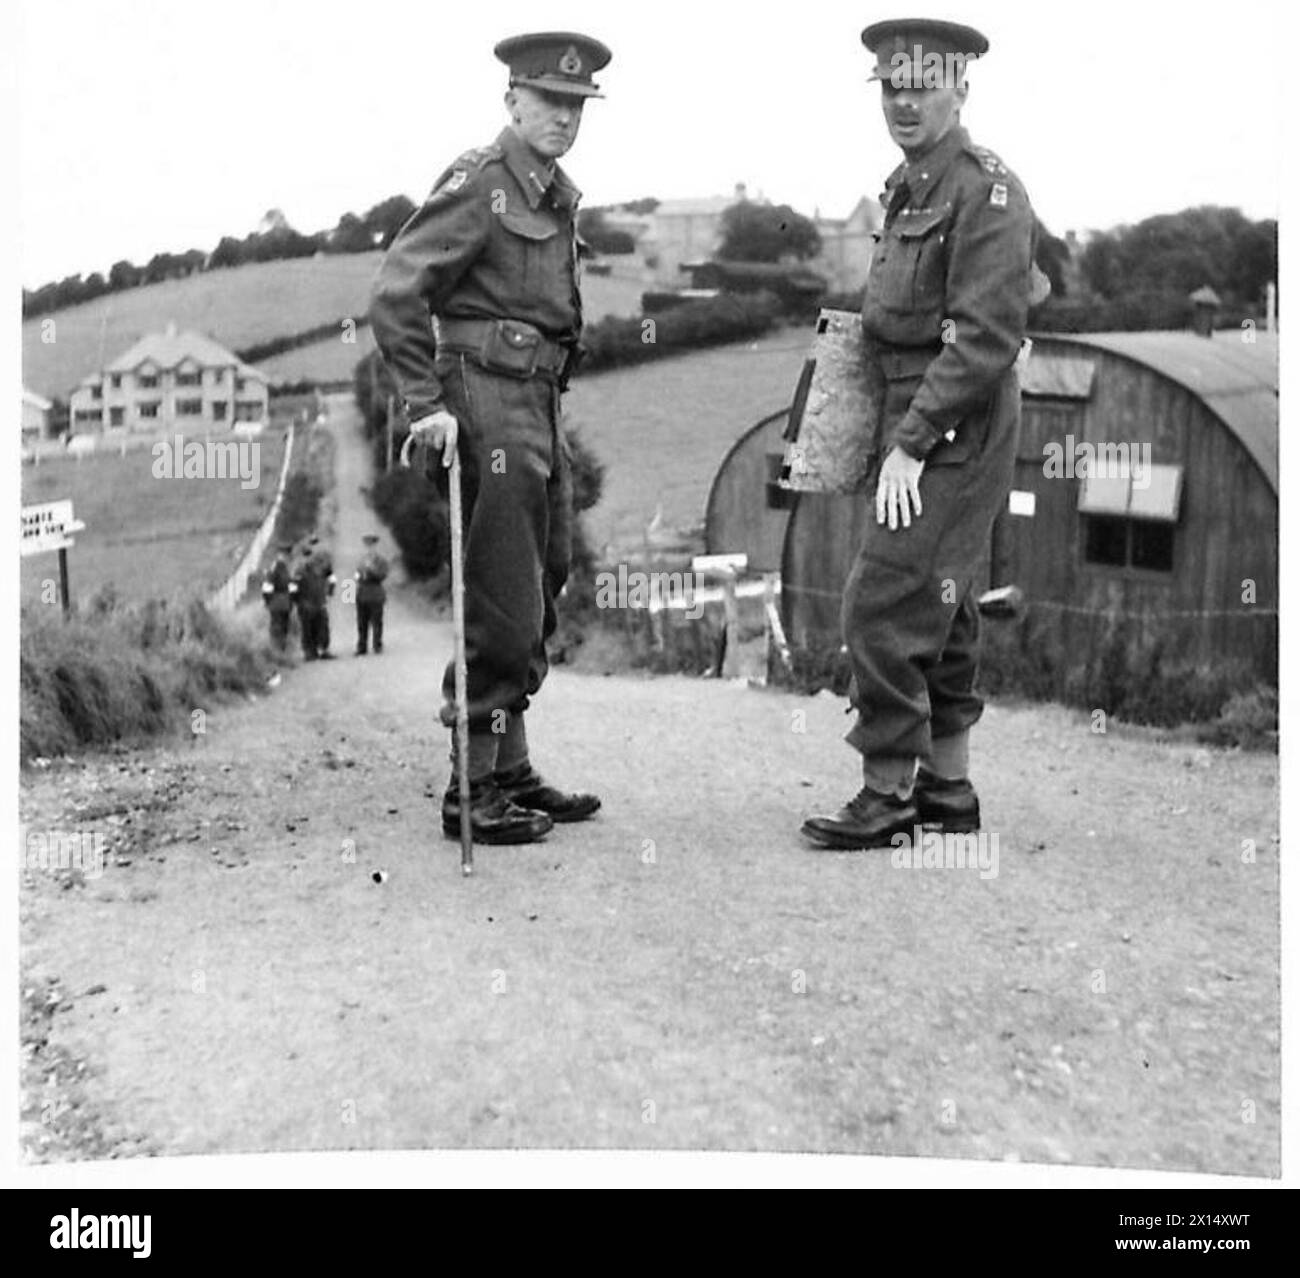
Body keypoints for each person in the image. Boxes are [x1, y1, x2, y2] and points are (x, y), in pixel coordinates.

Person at [801, 19, 1037, 850]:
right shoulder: (910, 185)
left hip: (950, 420)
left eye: (923, 84)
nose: (905, 100)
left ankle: (887, 793)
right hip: (913, 410)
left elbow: (983, 338)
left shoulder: (985, 191)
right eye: (892, 86)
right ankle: (948, 787)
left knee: (884, 598)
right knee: (947, 597)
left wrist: (911, 440)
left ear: (961, 88)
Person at [370, 31, 608, 845]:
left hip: (539, 403)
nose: (564, 118)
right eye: (549, 101)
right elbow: (399, 291)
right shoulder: (482, 183)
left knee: (543, 578)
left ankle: (510, 769)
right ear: (512, 100)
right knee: (502, 595)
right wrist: (421, 404)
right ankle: (469, 789)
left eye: (576, 106)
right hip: (483, 401)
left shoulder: (554, 195)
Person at [292, 537, 333, 661]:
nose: (309, 557)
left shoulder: (320, 567)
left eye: (311, 554)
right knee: (307, 629)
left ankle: (323, 649)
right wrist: (298, 602)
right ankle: (309, 652)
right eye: (307, 555)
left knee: (323, 626)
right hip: (306, 603)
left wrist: (328, 594)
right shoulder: (299, 570)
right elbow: (293, 588)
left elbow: (330, 577)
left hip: (319, 602)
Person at [354, 533, 389, 655]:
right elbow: (356, 576)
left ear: (376, 546)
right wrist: (349, 596)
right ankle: (362, 646)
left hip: (375, 594)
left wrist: (371, 570)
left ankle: (377, 645)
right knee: (361, 622)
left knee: (377, 622)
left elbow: (383, 575)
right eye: (367, 545)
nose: (369, 548)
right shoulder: (361, 560)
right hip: (362, 594)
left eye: (372, 545)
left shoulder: (381, 561)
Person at [261, 541, 295, 651]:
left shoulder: (280, 569)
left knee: (280, 627)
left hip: (280, 603)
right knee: (280, 627)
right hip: (281, 603)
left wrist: (268, 602)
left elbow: (267, 588)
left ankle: (279, 650)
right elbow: (268, 588)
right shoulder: (279, 569)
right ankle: (278, 650)